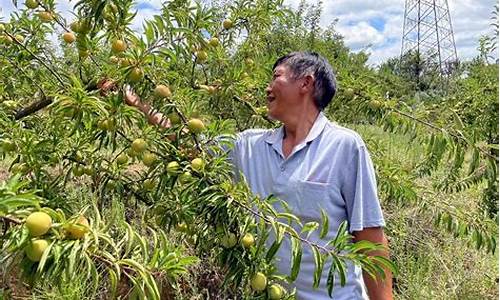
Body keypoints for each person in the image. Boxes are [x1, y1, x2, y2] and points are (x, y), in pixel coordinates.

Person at [124, 51, 392, 299]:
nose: (267, 87)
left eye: (276, 76)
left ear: (306, 83)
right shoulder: (249, 146)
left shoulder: (345, 146)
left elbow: (369, 235)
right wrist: (140, 105)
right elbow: (190, 144)